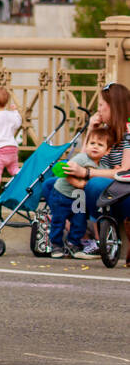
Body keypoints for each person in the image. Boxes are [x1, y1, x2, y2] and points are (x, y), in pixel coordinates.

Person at [61, 83, 130, 250]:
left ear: (113, 106)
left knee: (94, 184)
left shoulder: (128, 131)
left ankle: (99, 235)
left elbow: (126, 172)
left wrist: (87, 173)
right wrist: (91, 129)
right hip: (110, 188)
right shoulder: (105, 131)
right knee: (52, 184)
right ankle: (81, 236)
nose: (98, 110)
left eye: (101, 105)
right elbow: (83, 159)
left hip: (124, 193)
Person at [46, 123, 112, 258]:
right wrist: (79, 183)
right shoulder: (81, 158)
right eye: (92, 143)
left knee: (79, 221)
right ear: (86, 145)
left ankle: (74, 244)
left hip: (78, 198)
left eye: (100, 145)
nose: (95, 146)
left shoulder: (103, 167)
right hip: (62, 195)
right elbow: (65, 171)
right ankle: (56, 245)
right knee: (59, 220)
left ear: (107, 151)